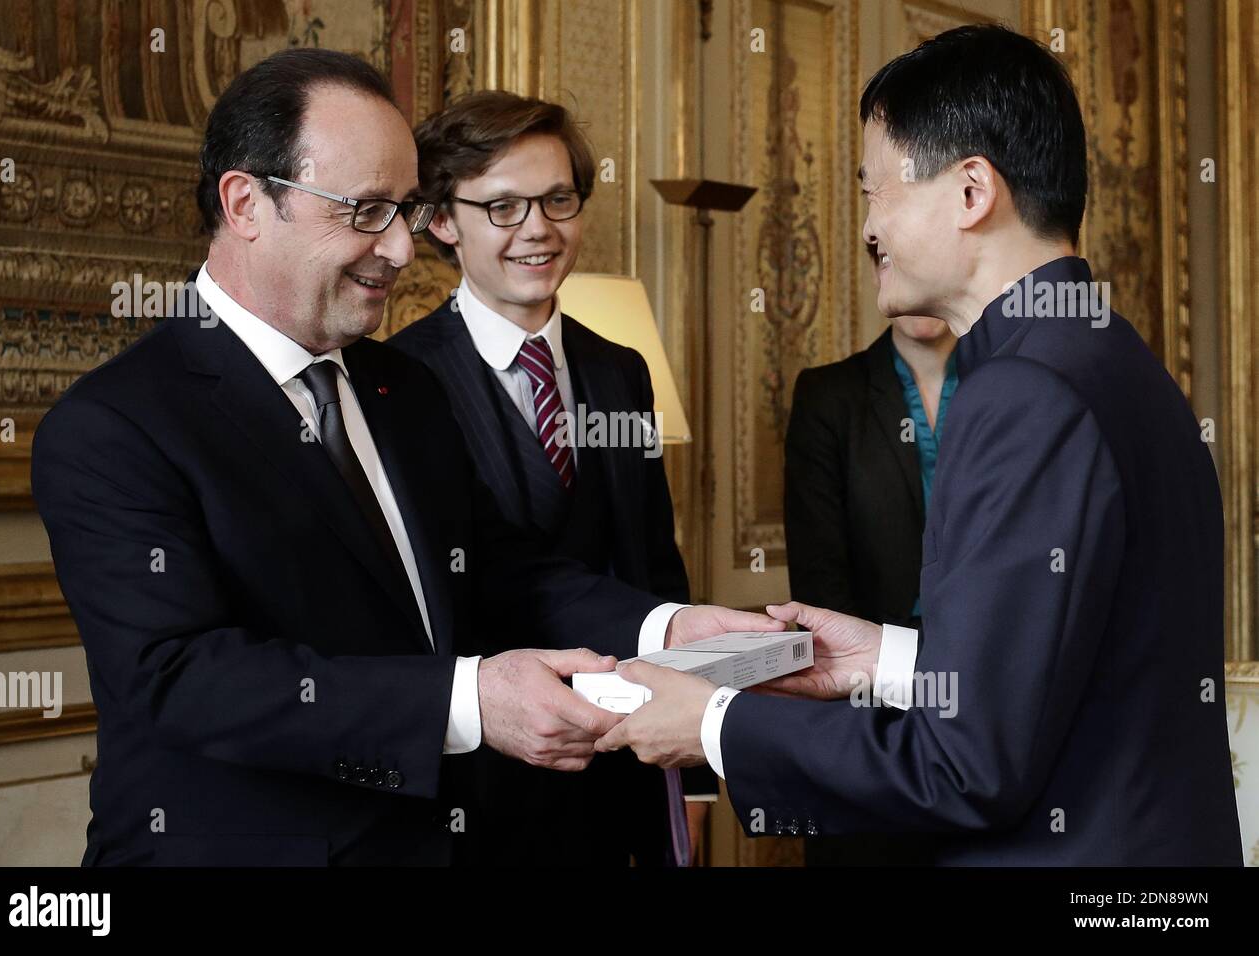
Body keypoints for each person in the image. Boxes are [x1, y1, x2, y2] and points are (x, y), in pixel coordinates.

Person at [31, 48, 776, 866]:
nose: (397, 249)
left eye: (406, 211)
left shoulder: (402, 388)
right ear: (246, 202)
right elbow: (181, 677)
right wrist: (468, 701)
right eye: (365, 211)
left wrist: (669, 625)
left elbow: (498, 570)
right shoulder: (113, 425)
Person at [599, 24, 1242, 865]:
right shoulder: (1111, 354)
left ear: (972, 191)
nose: (866, 225)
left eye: (874, 191)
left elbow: (967, 767)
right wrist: (887, 660)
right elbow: (1059, 677)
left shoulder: (1022, 390)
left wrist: (714, 724)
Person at [392, 90, 716, 866]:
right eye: (501, 207)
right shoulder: (398, 381)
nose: (537, 228)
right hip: (480, 794)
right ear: (443, 222)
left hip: (626, 769)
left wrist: (694, 775)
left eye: (557, 199)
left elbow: (654, 565)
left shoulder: (622, 370)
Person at [785, 295, 957, 866]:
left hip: (989, 697)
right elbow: (820, 586)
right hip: (867, 712)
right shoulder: (829, 395)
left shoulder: (1011, 388)